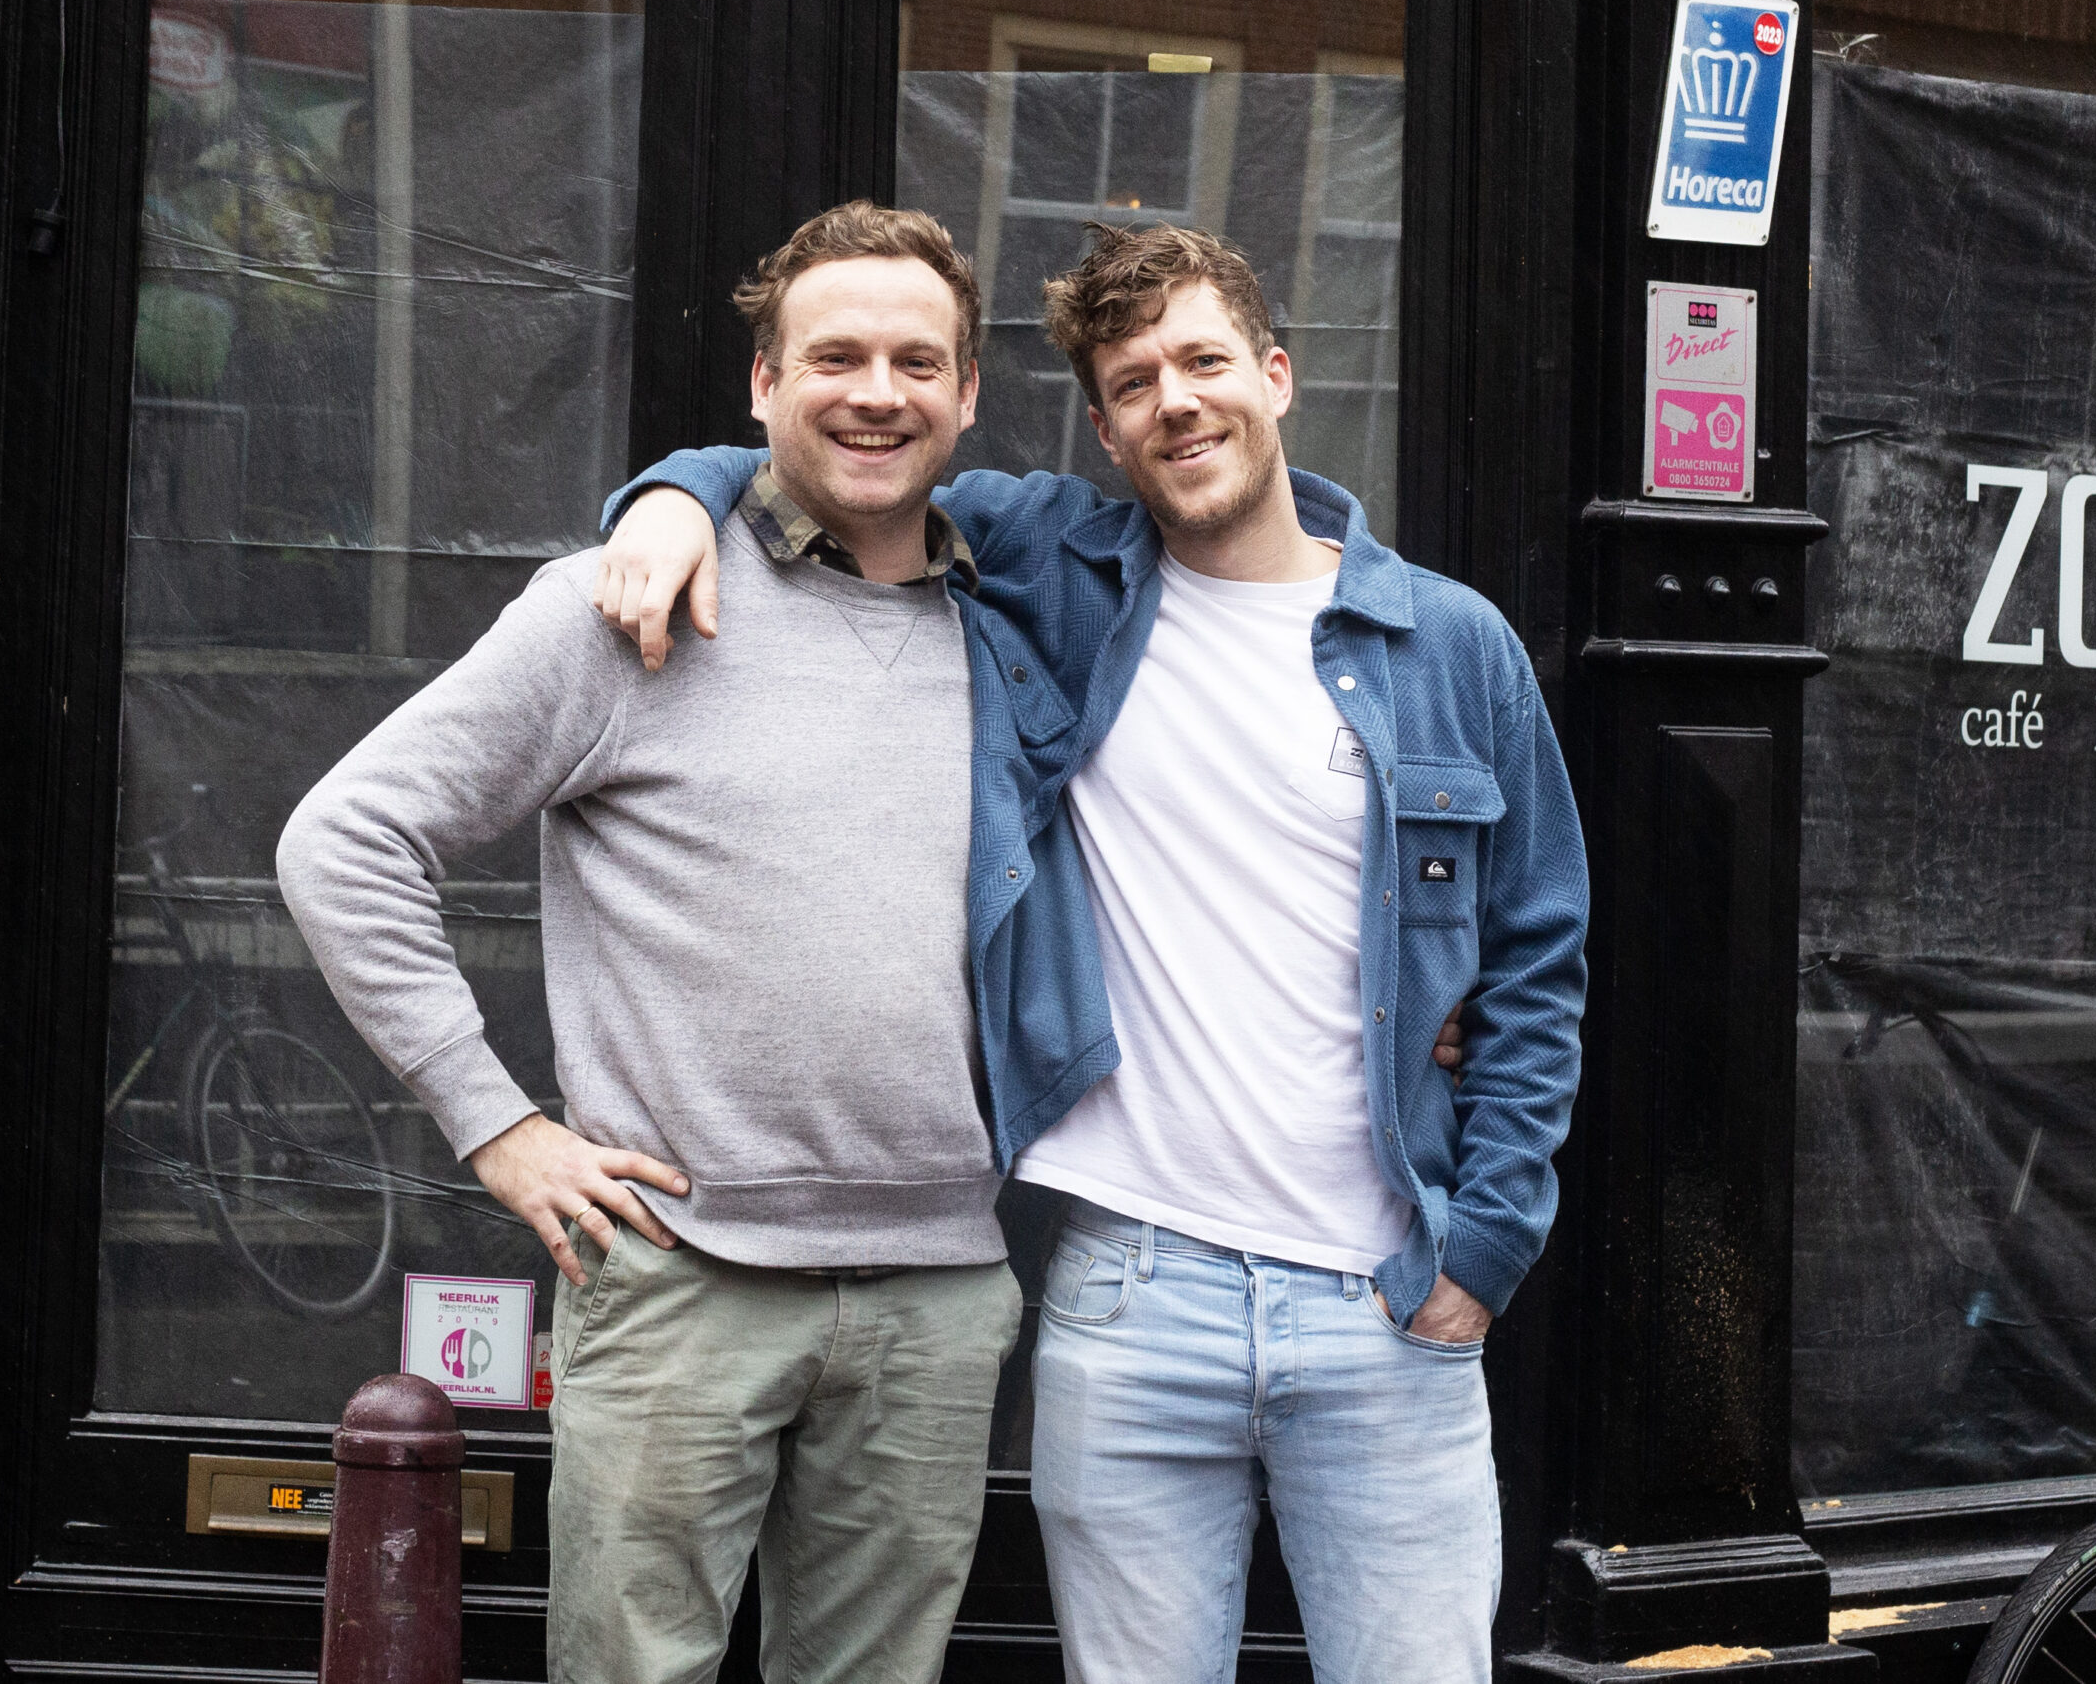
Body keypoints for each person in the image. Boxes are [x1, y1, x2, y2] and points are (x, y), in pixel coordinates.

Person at [596, 220, 1589, 1684]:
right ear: (1107, 431)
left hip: (1386, 1299)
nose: (1174, 401)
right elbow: (850, 450)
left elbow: (1537, 959)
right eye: (1133, 385)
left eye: (1202, 362)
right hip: (1133, 1295)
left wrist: (1489, 1247)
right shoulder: (1058, 566)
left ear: (1277, 374)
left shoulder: (1448, 643)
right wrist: (672, 497)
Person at [275, 203, 1030, 1684]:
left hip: (939, 1281)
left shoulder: (1018, 619)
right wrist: (496, 1127)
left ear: (968, 396)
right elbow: (345, 840)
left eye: (917, 361)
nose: (879, 391)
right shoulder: (626, 607)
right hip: (681, 1269)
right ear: (761, 386)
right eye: (836, 356)